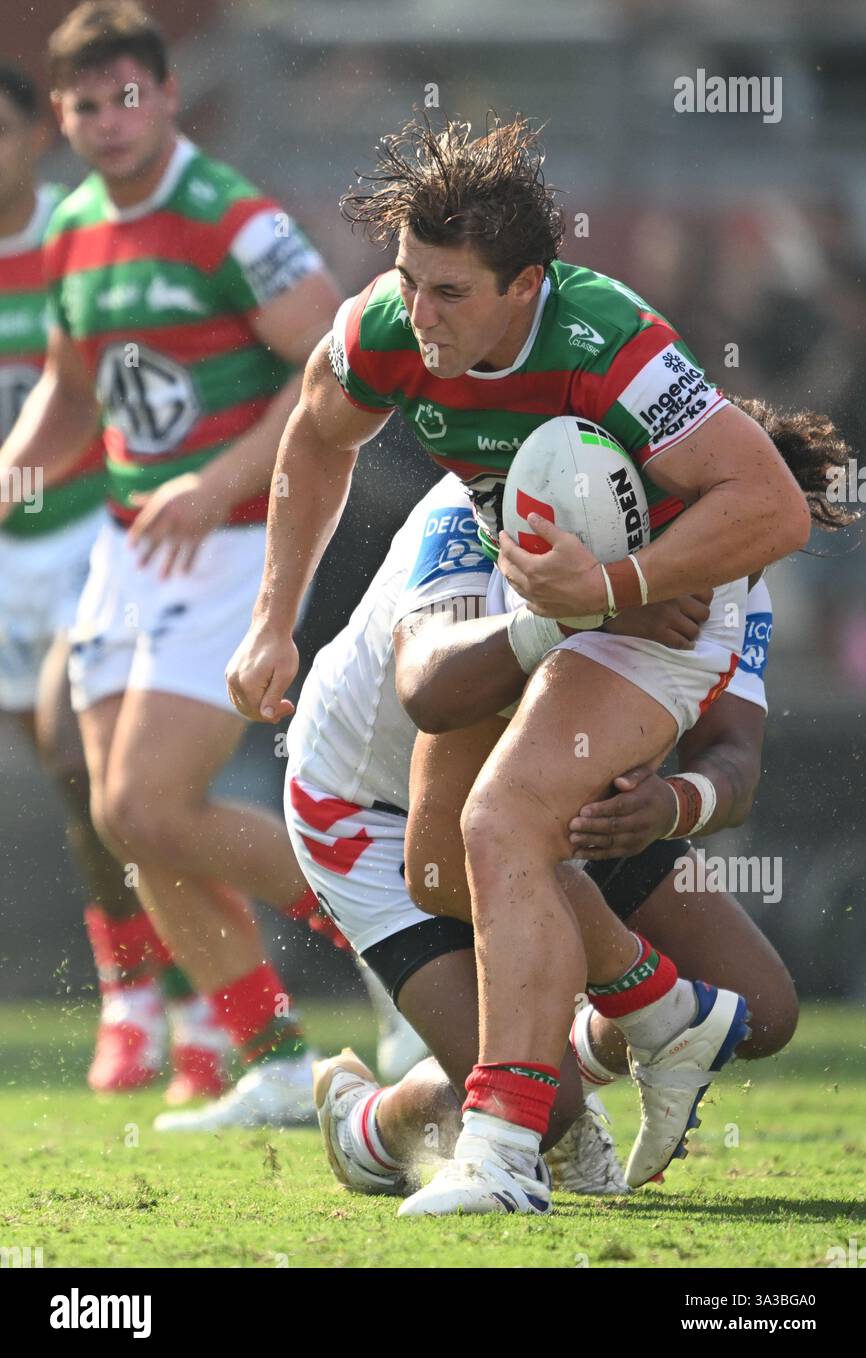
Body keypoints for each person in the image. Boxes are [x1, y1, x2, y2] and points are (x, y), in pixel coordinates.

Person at [227, 115, 811, 1213]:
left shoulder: (606, 350)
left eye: (450, 291)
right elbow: (317, 445)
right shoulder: (441, 446)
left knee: (521, 847)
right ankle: (441, 1112)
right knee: (487, 849)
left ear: (526, 286)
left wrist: (619, 619)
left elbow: (767, 511)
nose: (421, 314)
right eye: (408, 280)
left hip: (604, 638)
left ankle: (545, 1110)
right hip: (361, 805)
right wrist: (273, 622)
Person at [0, 0, 341, 1113]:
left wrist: (217, 480)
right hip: (130, 545)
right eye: (87, 103)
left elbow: (326, 370)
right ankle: (279, 1060)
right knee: (124, 815)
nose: (108, 119)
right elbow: (70, 382)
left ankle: (390, 914)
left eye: (127, 96)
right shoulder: (74, 227)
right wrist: (18, 464)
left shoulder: (231, 216)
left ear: (168, 95)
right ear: (62, 113)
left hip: (234, 543)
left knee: (149, 804)